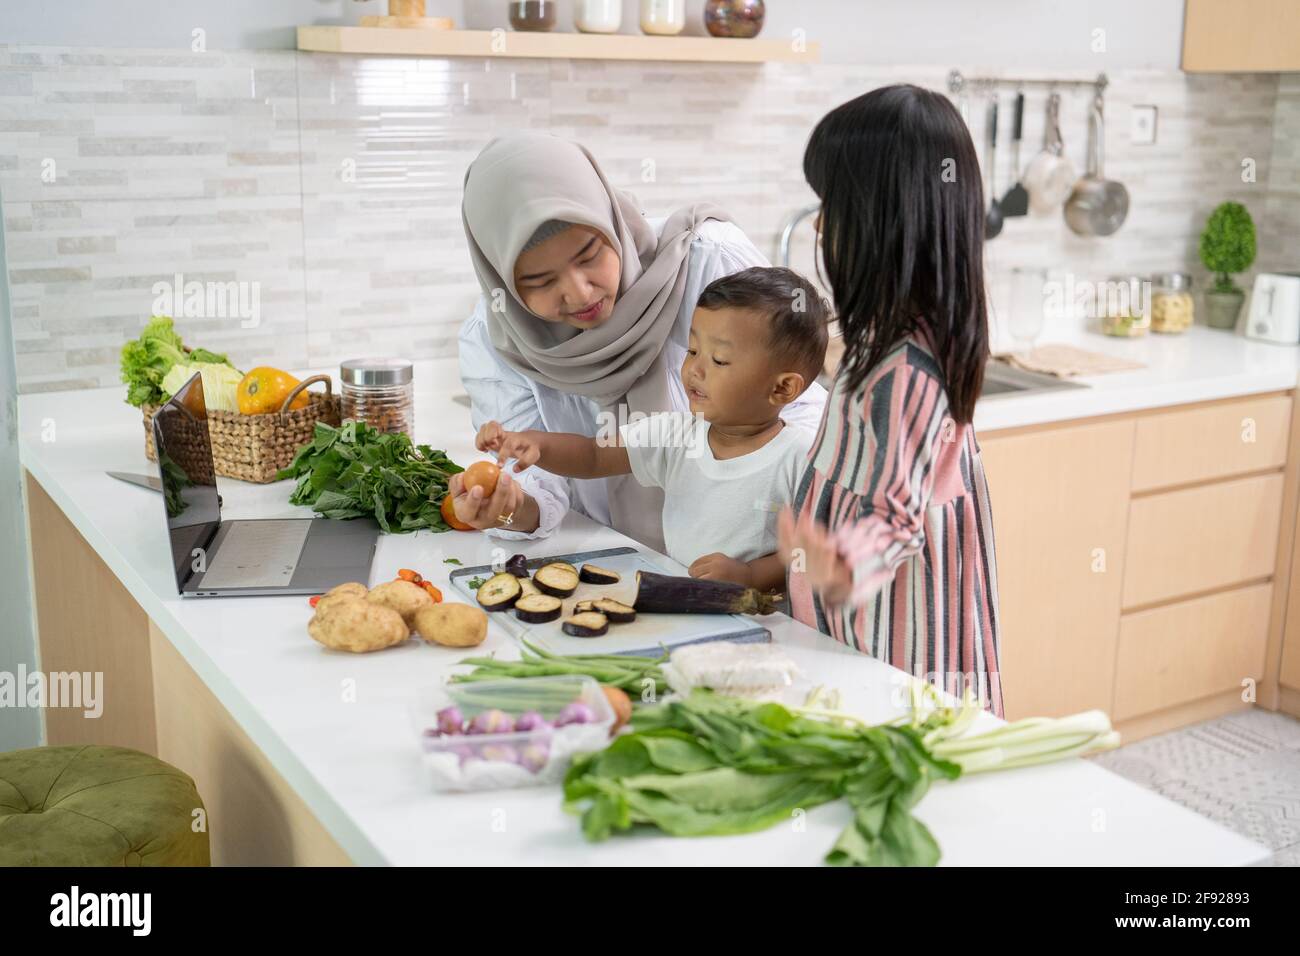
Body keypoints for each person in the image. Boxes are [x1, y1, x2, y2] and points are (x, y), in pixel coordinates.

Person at [450, 132, 827, 553]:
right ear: (500, 277)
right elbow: (576, 464)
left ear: (609, 220)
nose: (580, 293)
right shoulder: (495, 338)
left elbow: (809, 423)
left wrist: (751, 541)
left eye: (590, 255)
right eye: (540, 281)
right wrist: (507, 507)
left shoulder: (705, 260)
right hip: (615, 574)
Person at [776, 86, 1004, 715]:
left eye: (834, 204)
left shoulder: (904, 366)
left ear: (886, 219)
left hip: (893, 628)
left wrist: (841, 563)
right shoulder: (911, 335)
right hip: (879, 615)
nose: (820, 223)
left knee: (898, 728)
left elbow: (897, 519)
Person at [477, 267, 828, 589]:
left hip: (767, 620)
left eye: (718, 360)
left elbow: (818, 549)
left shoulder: (801, 456)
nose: (694, 370)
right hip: (683, 599)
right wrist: (537, 445)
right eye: (692, 351)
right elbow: (594, 456)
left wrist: (751, 575)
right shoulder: (678, 435)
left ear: (782, 388)